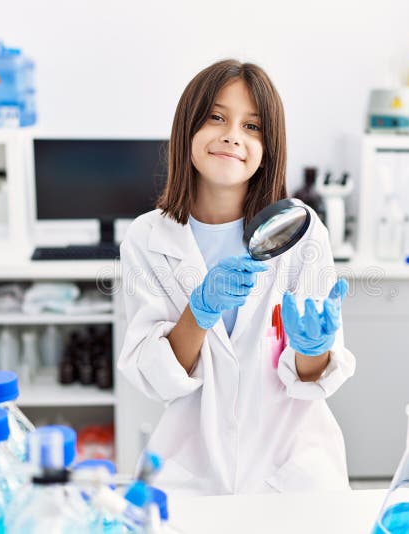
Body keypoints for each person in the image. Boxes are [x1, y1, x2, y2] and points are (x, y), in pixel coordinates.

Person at [118, 59, 356, 495]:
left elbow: (310, 380)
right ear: (187, 127)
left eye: (252, 126)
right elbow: (157, 377)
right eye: (216, 117)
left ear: (270, 146)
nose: (232, 135)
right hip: (193, 466)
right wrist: (200, 310)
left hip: (292, 466)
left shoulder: (301, 230)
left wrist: (312, 349)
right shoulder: (146, 238)